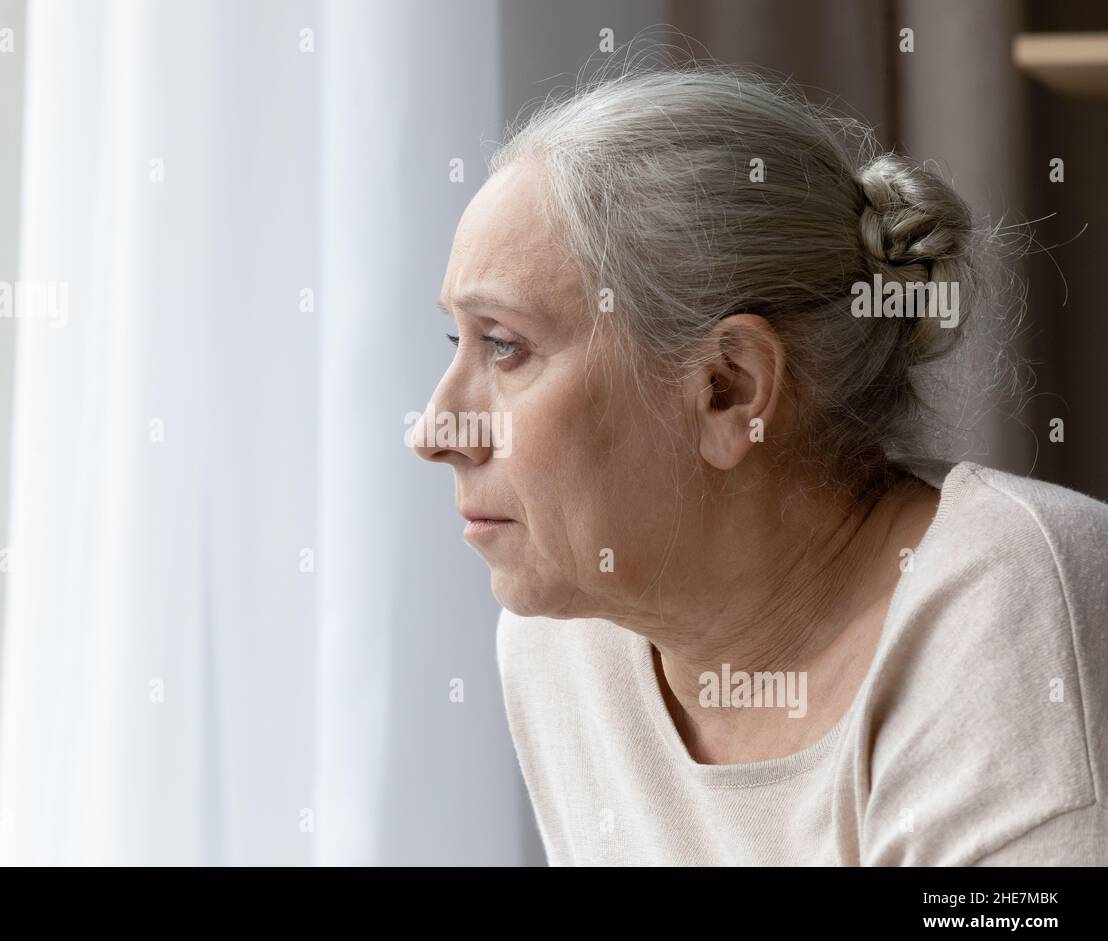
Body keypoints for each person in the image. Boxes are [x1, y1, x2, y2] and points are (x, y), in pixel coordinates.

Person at [412, 63, 1108, 865]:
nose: (434, 430)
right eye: (454, 341)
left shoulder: (1013, 605)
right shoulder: (567, 646)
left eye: (504, 345)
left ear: (727, 389)